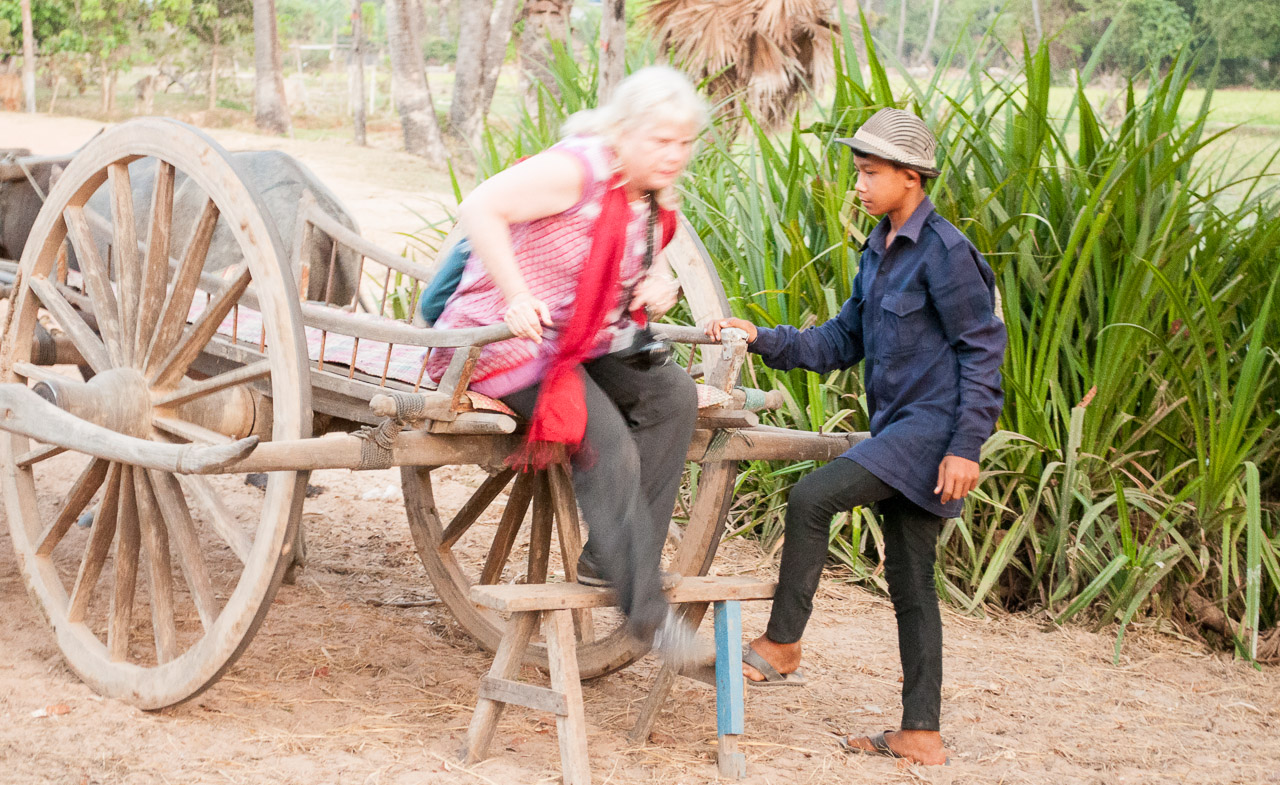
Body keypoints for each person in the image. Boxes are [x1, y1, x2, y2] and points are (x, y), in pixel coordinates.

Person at [707, 108, 1006, 765]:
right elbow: (840, 339)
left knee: (811, 498)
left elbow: (983, 353)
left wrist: (965, 446)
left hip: (932, 428)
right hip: (899, 428)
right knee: (911, 580)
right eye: (859, 172)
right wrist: (764, 336)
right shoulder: (878, 249)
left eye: (872, 173)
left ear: (913, 176)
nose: (861, 185)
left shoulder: (949, 254)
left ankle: (783, 643)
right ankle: (921, 733)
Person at [426, 66, 708, 646]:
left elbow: (648, 254)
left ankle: (613, 560)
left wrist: (660, 283)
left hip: (583, 340)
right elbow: (480, 206)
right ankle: (648, 614)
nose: (675, 154)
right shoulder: (575, 171)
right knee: (604, 439)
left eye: (683, 142)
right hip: (506, 340)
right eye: (660, 140)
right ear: (622, 132)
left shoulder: (652, 190)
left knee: (674, 395)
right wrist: (516, 293)